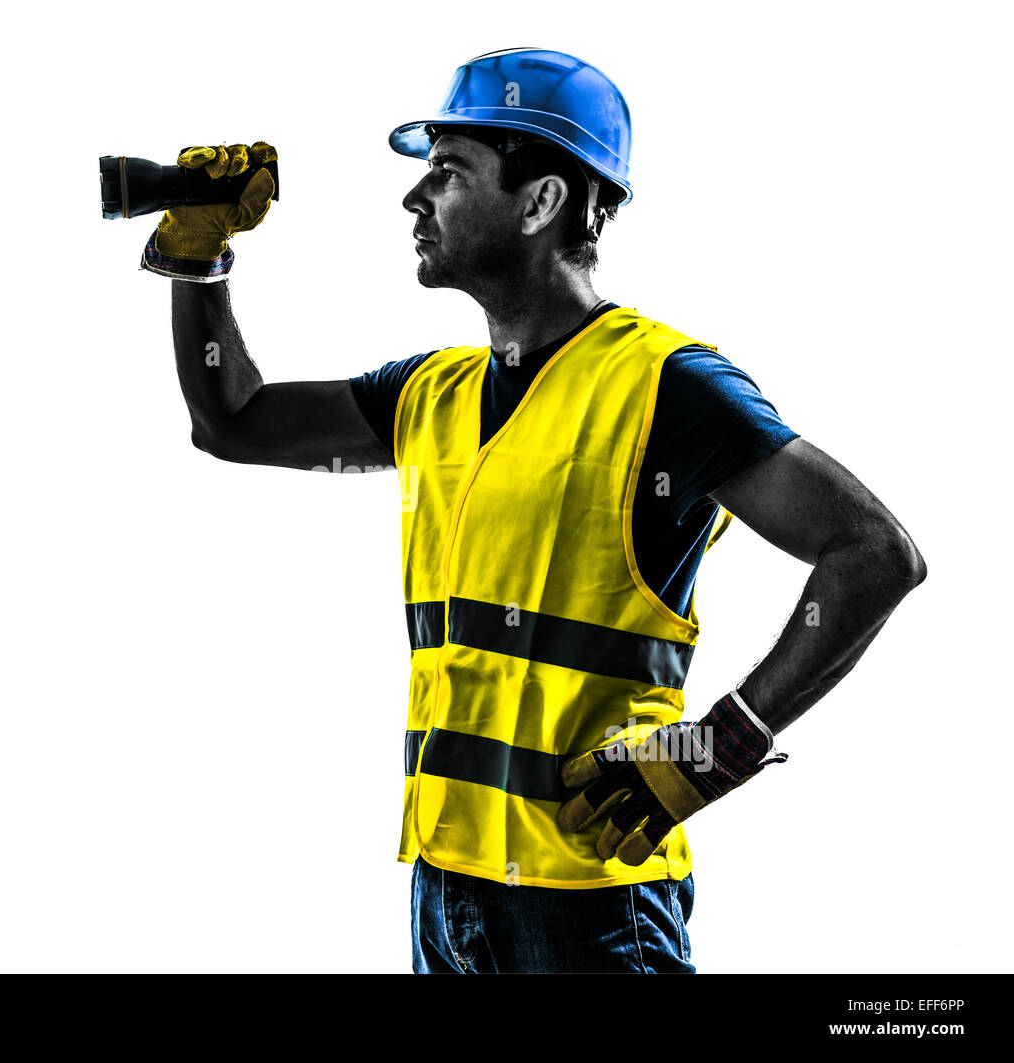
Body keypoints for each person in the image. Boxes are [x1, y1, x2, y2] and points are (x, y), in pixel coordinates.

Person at [136, 48, 927, 973]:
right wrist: (198, 257)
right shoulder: (432, 392)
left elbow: (873, 551)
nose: (414, 198)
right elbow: (231, 421)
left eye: (448, 170)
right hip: (445, 889)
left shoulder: (667, 387)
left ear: (542, 201)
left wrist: (725, 744)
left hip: (590, 907)